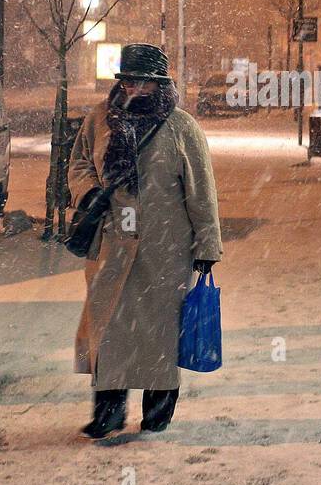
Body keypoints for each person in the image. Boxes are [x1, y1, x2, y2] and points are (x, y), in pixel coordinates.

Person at [67, 43, 223, 438]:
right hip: (112, 244)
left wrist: (206, 247)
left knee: (160, 336)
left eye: (143, 81)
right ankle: (108, 412)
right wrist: (88, 193)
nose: (135, 88)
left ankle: (158, 412)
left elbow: (201, 192)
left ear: (158, 83)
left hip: (164, 249)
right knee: (111, 331)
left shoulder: (181, 127)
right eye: (129, 80)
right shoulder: (100, 119)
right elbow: (80, 162)